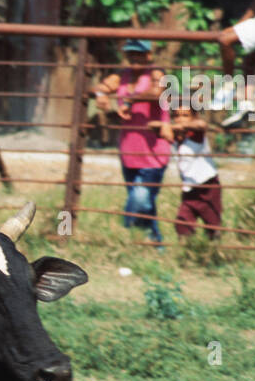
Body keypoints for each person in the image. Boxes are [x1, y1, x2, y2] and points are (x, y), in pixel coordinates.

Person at [94, 38, 172, 245]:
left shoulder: (157, 73)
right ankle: (153, 241)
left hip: (155, 150)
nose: (135, 58)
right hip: (129, 151)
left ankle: (122, 233)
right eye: (131, 54)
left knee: (140, 198)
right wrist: (101, 94)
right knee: (145, 201)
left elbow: (158, 92)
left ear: (148, 55)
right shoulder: (122, 76)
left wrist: (130, 99)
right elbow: (100, 87)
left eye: (139, 53)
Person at [171, 91, 222, 239]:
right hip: (189, 189)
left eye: (185, 115)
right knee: (182, 223)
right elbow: (153, 126)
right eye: (177, 115)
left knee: (212, 226)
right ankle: (186, 255)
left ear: (194, 117)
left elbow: (201, 124)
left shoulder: (196, 133)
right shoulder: (177, 136)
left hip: (208, 187)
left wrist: (183, 126)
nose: (180, 119)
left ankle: (213, 253)